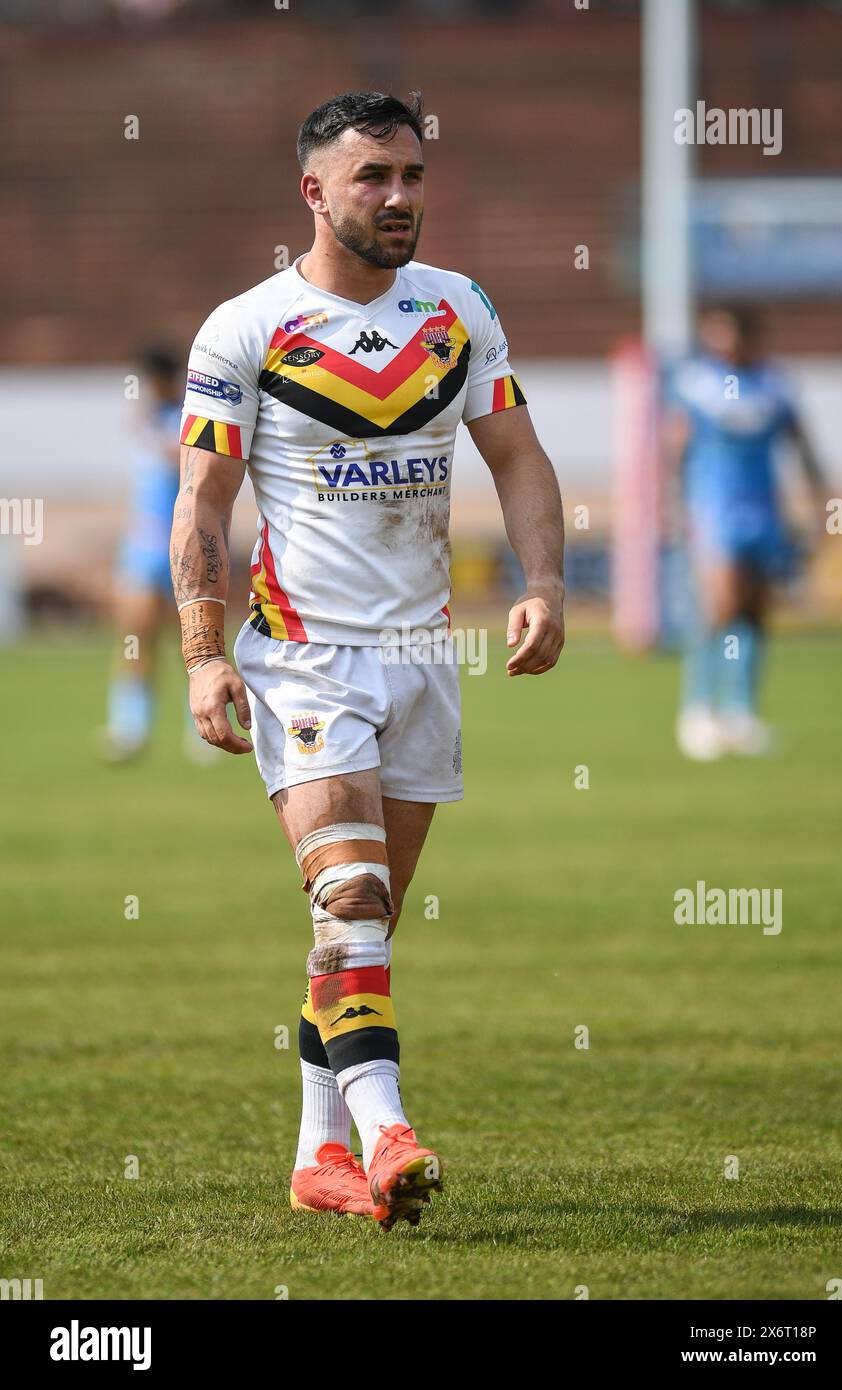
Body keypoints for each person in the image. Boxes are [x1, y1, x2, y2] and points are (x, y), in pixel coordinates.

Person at [168, 91, 565, 1229]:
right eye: (372, 179)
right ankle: (388, 1131)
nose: (399, 198)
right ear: (314, 192)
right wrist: (203, 654)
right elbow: (202, 503)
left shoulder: (457, 309)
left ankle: (315, 1153)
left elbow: (519, 456)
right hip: (302, 661)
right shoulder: (243, 328)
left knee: (359, 936)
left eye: (411, 176)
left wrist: (542, 585)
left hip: (421, 659)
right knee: (350, 896)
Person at [665, 304, 825, 760]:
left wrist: (820, 497)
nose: (719, 345)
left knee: (755, 609)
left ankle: (740, 713)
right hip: (714, 506)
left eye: (727, 335)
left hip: (764, 508)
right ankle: (697, 712)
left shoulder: (774, 383)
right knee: (721, 604)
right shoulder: (697, 383)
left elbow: (800, 441)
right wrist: (672, 503)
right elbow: (676, 445)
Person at [102, 346, 184, 760]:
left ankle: (204, 727)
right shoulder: (141, 422)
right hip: (142, 547)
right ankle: (130, 726)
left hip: (184, 546)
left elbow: (180, 461)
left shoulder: (185, 419)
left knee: (196, 640)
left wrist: (152, 431)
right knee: (135, 638)